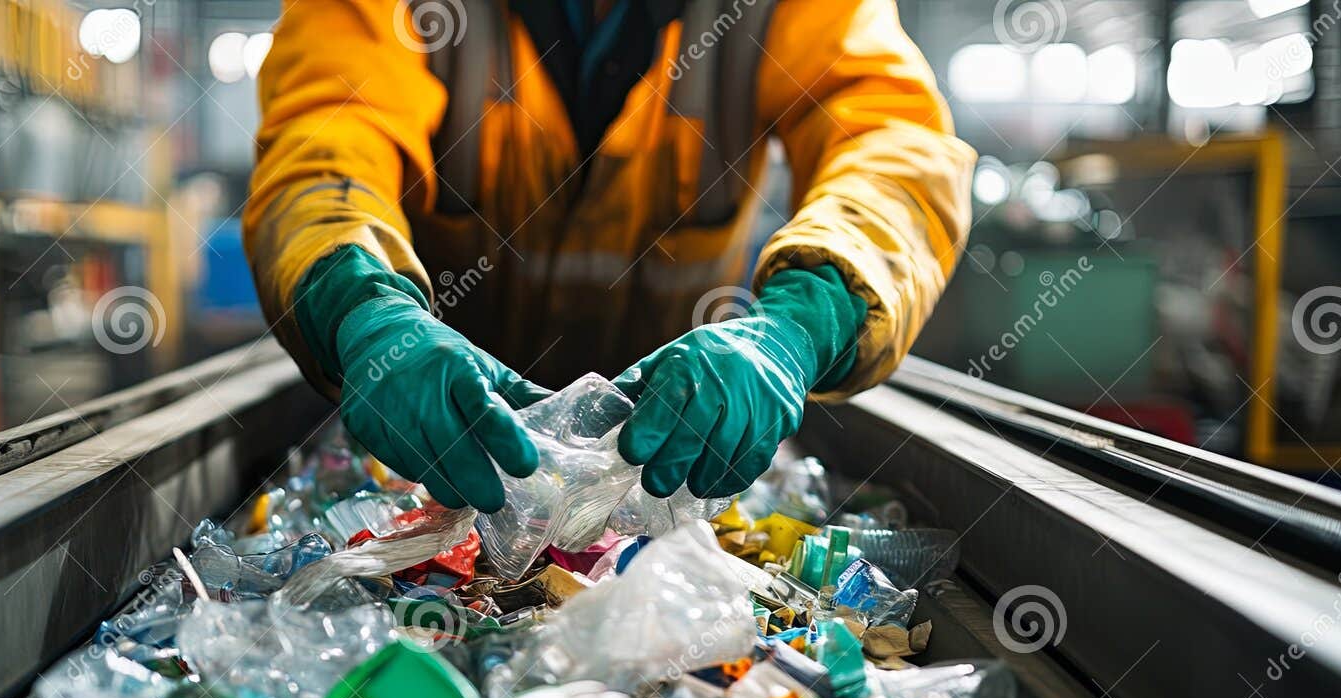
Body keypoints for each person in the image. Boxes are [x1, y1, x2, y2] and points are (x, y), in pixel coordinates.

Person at [246, 0, 973, 512]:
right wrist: (363, 309)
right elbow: (325, 147)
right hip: (438, 443)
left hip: (672, 455)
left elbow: (892, 148)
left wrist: (804, 321)